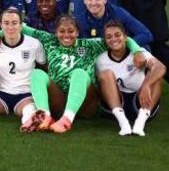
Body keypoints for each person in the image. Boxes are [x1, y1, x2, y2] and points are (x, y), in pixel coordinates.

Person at [14, 15, 144, 134]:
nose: (66, 35)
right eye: (62, 31)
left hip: (86, 104)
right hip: (59, 100)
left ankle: (67, 120)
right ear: (56, 32)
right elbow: (20, 28)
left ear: (77, 32)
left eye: (71, 31)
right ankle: (43, 116)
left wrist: (137, 50)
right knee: (37, 73)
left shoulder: (89, 45)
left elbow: (121, 39)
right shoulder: (49, 40)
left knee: (79, 72)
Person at [96, 21, 165, 136]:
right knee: (105, 74)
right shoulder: (100, 60)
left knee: (156, 75)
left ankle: (140, 122)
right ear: (105, 40)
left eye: (117, 35)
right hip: (116, 102)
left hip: (141, 101)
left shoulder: (139, 53)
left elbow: (160, 67)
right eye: (109, 37)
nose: (114, 39)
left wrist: (146, 85)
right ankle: (123, 123)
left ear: (125, 37)